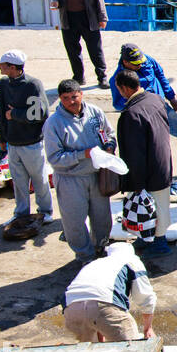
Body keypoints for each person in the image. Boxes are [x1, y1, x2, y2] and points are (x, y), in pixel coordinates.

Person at [112, 43, 177, 181]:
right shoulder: (117, 79)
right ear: (125, 62)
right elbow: (118, 104)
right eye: (136, 64)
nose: (140, 65)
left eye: (141, 62)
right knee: (154, 149)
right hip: (144, 118)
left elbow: (161, 77)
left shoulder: (147, 61)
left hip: (163, 108)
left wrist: (172, 97)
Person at [44, 79, 115, 263]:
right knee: (74, 222)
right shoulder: (53, 123)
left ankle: (100, 248)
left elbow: (109, 133)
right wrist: (83, 154)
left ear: (81, 94)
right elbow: (55, 159)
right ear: (60, 99)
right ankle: (85, 256)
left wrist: (109, 145)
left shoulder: (95, 112)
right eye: (66, 98)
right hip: (70, 179)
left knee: (102, 219)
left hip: (98, 176)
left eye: (74, 96)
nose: (71, 101)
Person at [115, 69, 175, 256]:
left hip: (147, 171)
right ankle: (150, 239)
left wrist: (136, 182)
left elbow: (135, 154)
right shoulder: (156, 99)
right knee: (161, 206)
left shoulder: (131, 114)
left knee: (150, 207)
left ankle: (158, 243)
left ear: (124, 88)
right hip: (162, 163)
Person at [0, 50, 53, 226]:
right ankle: (20, 213)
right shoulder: (3, 84)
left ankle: (45, 211)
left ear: (12, 67)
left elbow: (40, 113)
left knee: (39, 179)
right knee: (18, 181)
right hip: (12, 143)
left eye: (2, 65)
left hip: (31, 143)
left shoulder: (33, 85)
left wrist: (15, 114)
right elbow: (1, 111)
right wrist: (2, 137)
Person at [62, 242, 155, 342]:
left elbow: (91, 301)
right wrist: (148, 328)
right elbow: (145, 297)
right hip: (103, 306)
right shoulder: (132, 261)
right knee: (132, 350)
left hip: (71, 310)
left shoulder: (94, 263)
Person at [50, 0, 109, 89]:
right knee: (72, 50)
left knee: (95, 49)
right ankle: (78, 77)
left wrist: (102, 18)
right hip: (68, 17)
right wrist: (55, 1)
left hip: (87, 18)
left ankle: (102, 77)